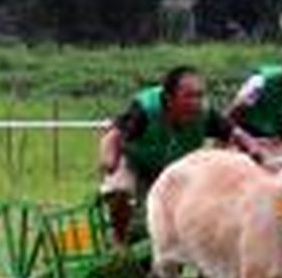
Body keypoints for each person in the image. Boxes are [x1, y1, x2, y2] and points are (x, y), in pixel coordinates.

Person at [99, 65, 265, 246]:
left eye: (200, 95)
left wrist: (252, 147)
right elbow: (113, 135)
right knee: (118, 189)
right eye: (189, 96)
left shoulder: (204, 113)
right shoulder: (146, 109)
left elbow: (234, 133)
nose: (196, 102)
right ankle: (119, 240)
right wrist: (109, 161)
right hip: (135, 161)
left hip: (173, 170)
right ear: (169, 98)